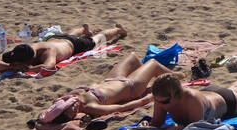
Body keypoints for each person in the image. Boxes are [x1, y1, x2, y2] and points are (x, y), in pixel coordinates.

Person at [34, 51, 174, 125]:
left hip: (112, 79)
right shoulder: (91, 106)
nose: (75, 106)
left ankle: (147, 75)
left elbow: (48, 114)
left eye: (71, 106)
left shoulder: (68, 98)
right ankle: (177, 76)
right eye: (74, 110)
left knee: (132, 57)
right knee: (153, 63)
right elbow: (121, 108)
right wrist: (147, 98)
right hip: (131, 87)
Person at [0, 24, 128, 73]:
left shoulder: (47, 53)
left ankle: (117, 30)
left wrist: (26, 69)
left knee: (96, 39)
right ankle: (82, 29)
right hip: (58, 40)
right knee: (66, 36)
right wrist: (10, 67)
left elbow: (49, 67)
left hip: (72, 45)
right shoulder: (23, 49)